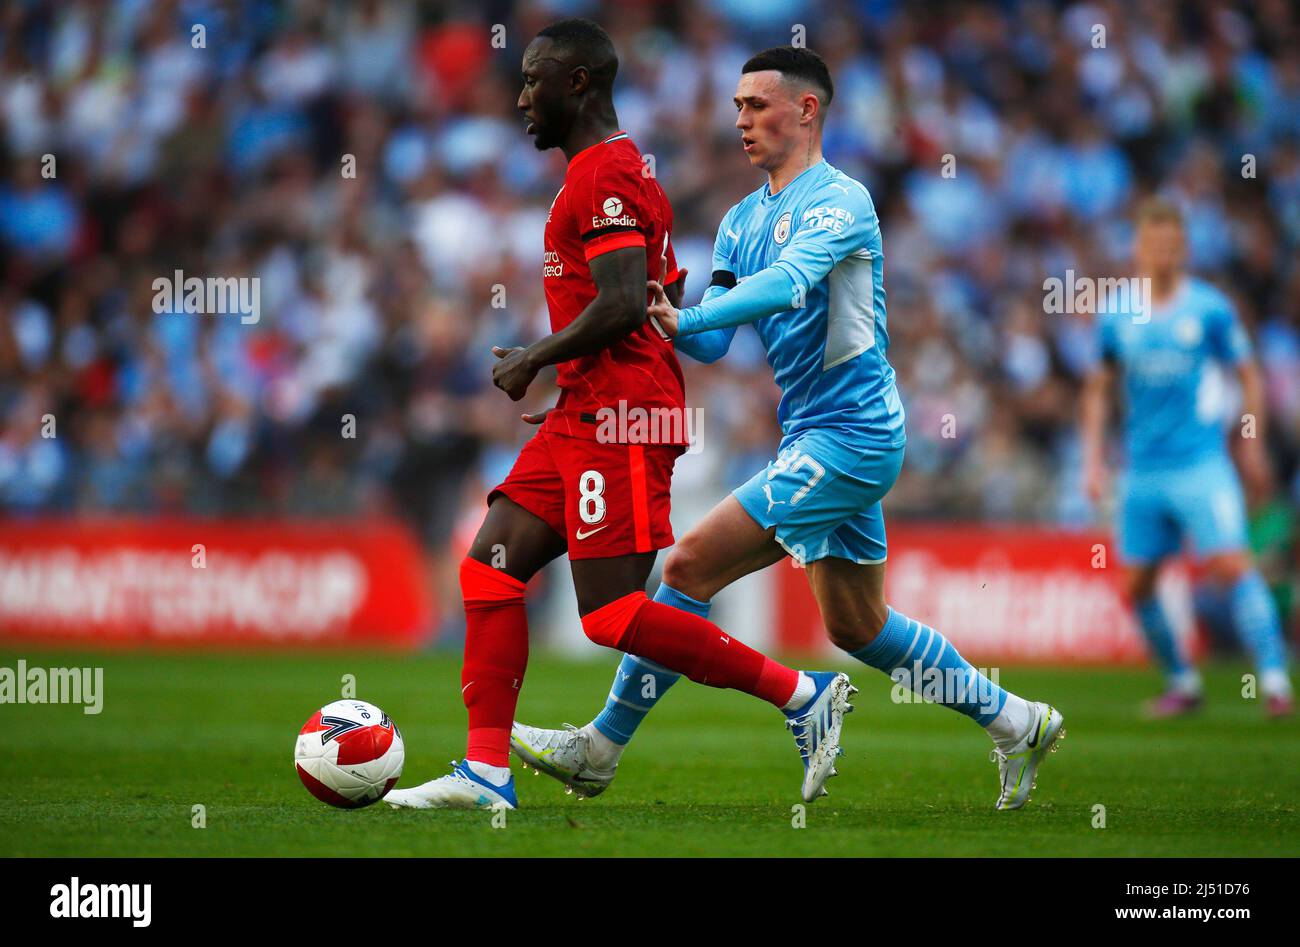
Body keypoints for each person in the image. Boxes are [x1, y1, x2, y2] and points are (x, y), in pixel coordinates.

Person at [512, 46, 1063, 811]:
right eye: (736, 106)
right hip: (810, 432)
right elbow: (708, 341)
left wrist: (697, 312)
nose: (740, 119)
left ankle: (602, 744)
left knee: (687, 566)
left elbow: (789, 282)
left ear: (806, 110)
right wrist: (662, 303)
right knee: (859, 625)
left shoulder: (842, 201)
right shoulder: (741, 220)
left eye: (755, 105)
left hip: (855, 434)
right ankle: (1018, 720)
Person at [385, 21, 854, 813]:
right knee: (489, 568)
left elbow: (625, 300)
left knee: (608, 614)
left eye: (535, 81)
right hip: (584, 410)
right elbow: (645, 290)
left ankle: (801, 693)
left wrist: (534, 354)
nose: (521, 97)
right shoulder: (604, 172)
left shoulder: (606, 176)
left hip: (625, 414)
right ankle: (484, 771)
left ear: (578, 85)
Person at [1081, 198, 1293, 718]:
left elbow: (1249, 374)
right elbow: (1098, 389)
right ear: (1138, 247)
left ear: (1185, 249)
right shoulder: (1117, 314)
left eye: (1172, 244)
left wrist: (1252, 440)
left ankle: (1275, 681)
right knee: (1138, 583)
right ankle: (1182, 682)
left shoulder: (1210, 309)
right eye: (1154, 243)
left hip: (1201, 464)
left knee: (1231, 563)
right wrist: (1091, 459)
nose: (1163, 252)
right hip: (1142, 468)